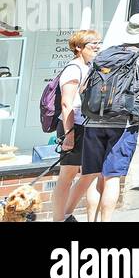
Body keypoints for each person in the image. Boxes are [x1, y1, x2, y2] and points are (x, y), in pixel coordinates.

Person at [65, 14, 139, 222]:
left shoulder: (104, 53)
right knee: (111, 178)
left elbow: (85, 88)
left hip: (93, 121)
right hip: (123, 124)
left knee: (91, 175)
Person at [50, 29, 102, 223]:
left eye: (99, 42)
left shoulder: (89, 66)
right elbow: (66, 104)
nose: (97, 46)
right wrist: (69, 136)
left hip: (87, 127)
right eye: (92, 43)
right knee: (67, 176)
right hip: (74, 127)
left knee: (90, 174)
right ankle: (59, 219)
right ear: (78, 47)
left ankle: (66, 214)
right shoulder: (73, 69)